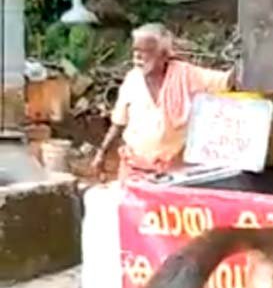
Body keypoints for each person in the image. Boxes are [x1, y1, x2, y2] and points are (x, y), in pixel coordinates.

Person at [92, 23, 236, 180]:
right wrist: (101, 153)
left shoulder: (187, 76)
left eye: (146, 52)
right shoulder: (132, 79)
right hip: (134, 168)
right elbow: (118, 123)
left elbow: (228, 81)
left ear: (164, 55)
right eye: (135, 51)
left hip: (173, 172)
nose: (138, 57)